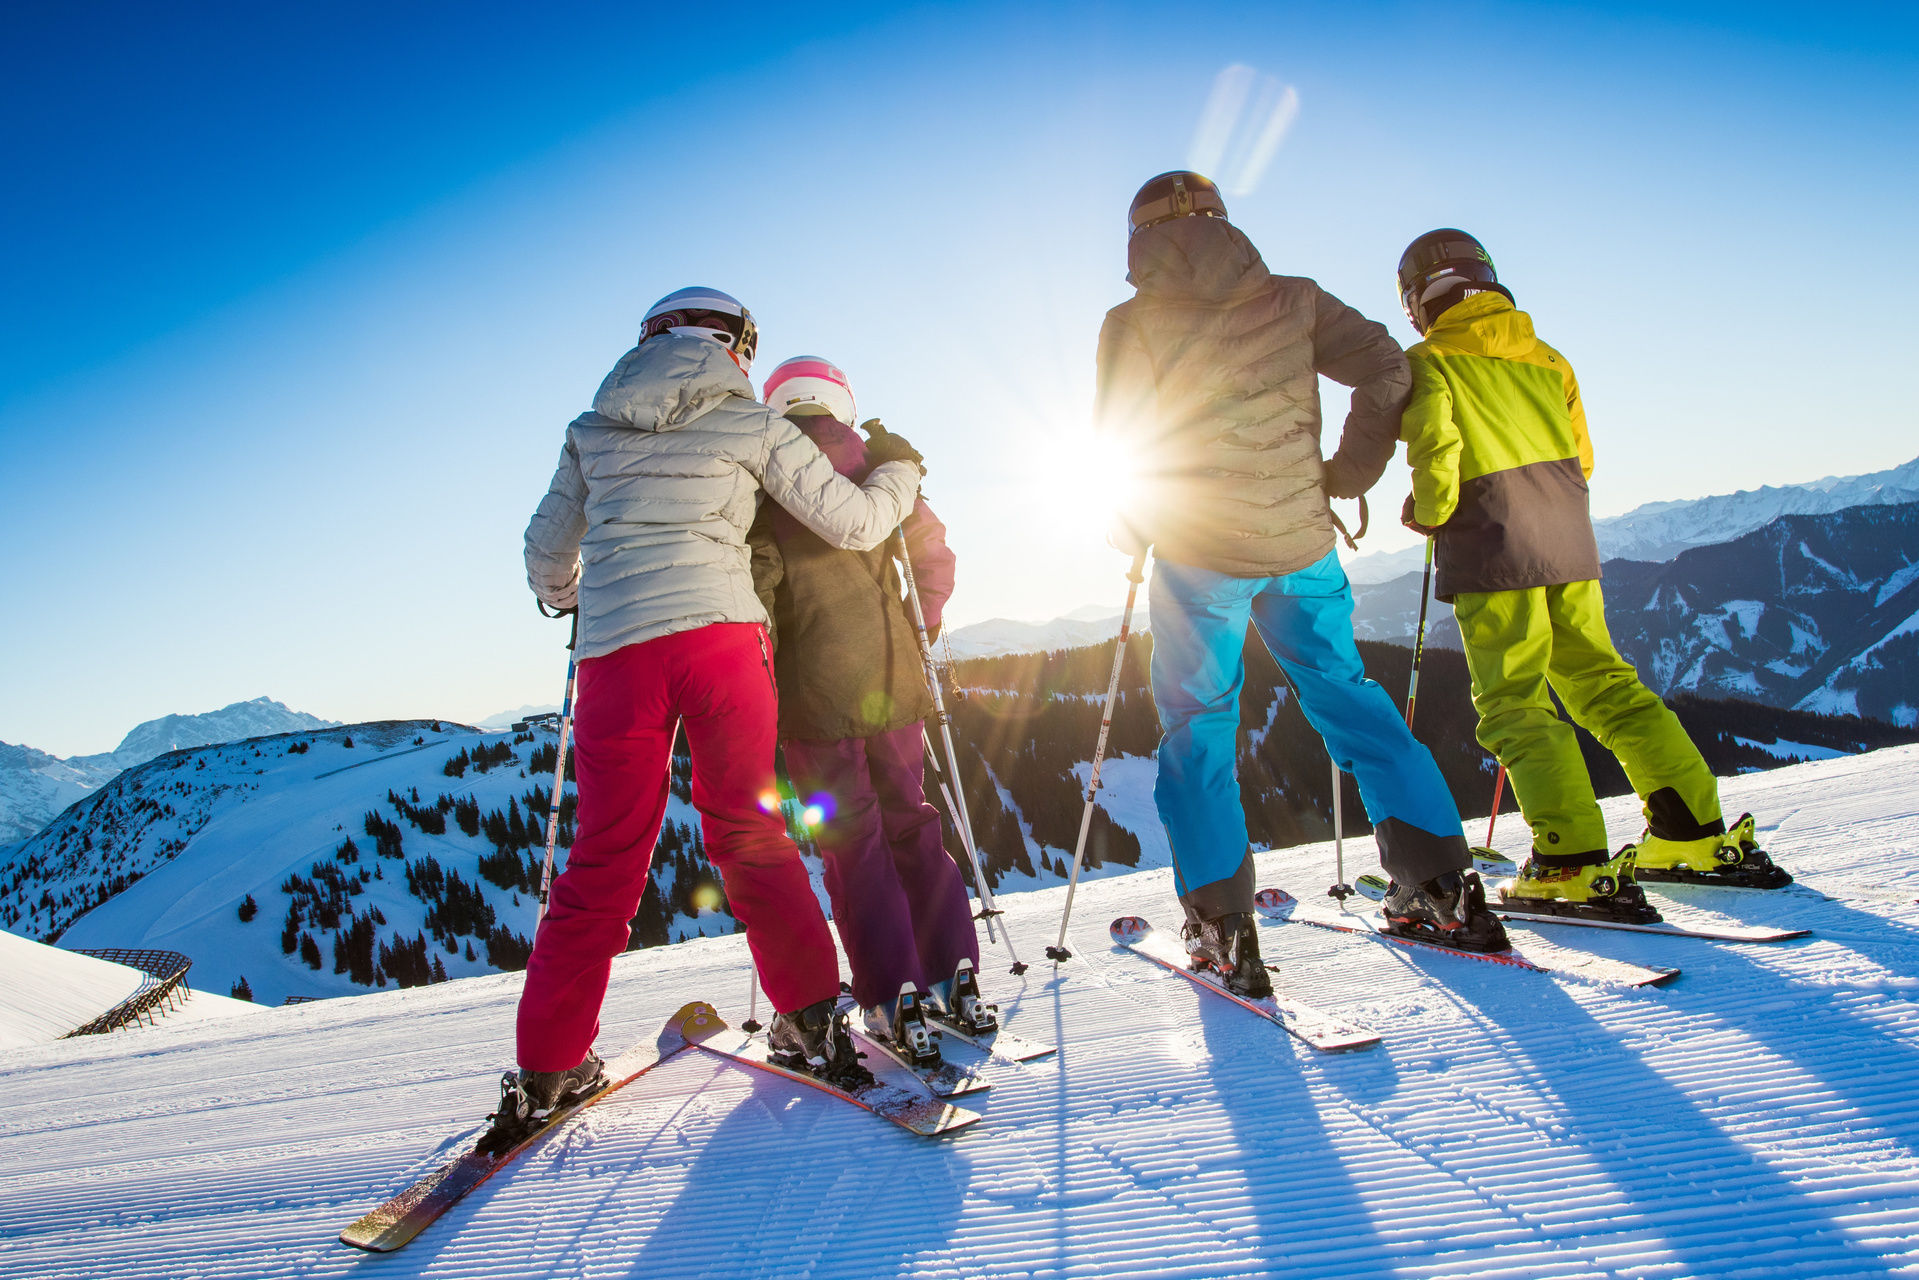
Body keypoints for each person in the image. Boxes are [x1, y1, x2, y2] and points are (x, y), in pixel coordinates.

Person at [514, 288, 928, 1111]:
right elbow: (852, 523)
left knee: (602, 859)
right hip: (724, 643)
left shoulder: (590, 432)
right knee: (749, 832)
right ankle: (811, 1021)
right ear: (736, 345)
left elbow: (544, 553)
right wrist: (901, 475)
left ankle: (549, 1067)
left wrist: (563, 594)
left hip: (615, 655)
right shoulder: (754, 425)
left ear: (647, 340)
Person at [1095, 173, 1508, 998]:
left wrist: (1131, 527)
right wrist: (1342, 476)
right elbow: (1388, 369)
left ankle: (1222, 927)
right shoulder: (1293, 299)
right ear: (1222, 221)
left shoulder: (1131, 322)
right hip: (1300, 543)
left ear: (1138, 236)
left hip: (1197, 549)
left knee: (1198, 729)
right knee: (1351, 700)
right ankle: (1440, 889)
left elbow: (1119, 436)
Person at [1394, 230, 1788, 920]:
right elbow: (1582, 457)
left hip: (1491, 543)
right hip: (1566, 537)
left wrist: (1429, 512)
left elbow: (1435, 449)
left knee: (1513, 701)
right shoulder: (1548, 359)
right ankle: (1691, 835)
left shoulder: (1430, 360)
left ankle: (1569, 861)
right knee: (1605, 684)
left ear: (1418, 298)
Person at [747, 355, 990, 1068]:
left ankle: (892, 993)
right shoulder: (882, 465)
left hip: (811, 687)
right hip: (892, 675)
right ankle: (955, 975)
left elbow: (758, 588)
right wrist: (919, 629)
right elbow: (931, 561)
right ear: (840, 401)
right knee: (910, 817)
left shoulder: (761, 472)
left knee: (852, 838)